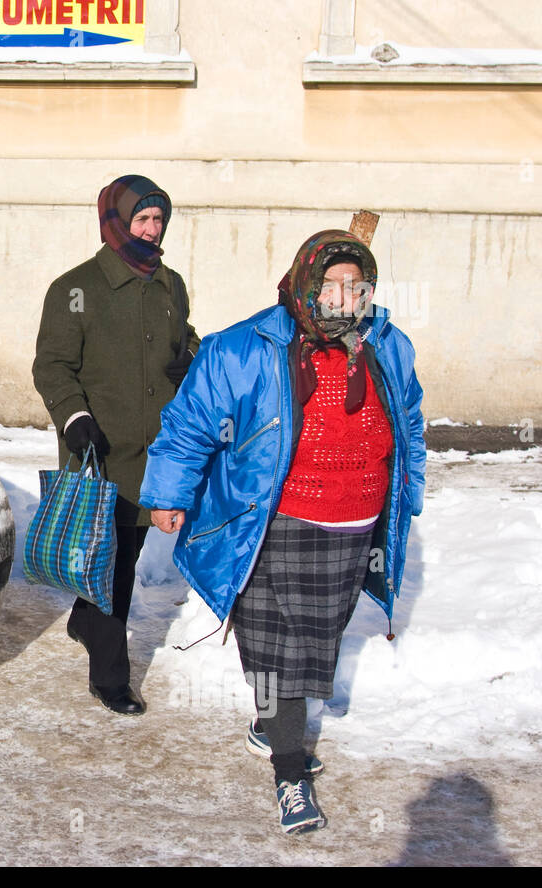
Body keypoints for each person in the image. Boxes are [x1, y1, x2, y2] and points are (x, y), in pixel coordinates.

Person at [140, 229, 426, 834]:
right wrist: (169, 491)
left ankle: (273, 724)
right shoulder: (244, 347)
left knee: (318, 643)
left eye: (358, 286)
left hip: (354, 524)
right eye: (332, 284)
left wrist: (411, 491)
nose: (346, 298)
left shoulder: (388, 344)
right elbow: (190, 423)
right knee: (277, 655)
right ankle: (290, 772)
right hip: (275, 521)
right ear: (304, 281)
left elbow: (410, 422)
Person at [32, 174, 201, 715]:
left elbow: (185, 335)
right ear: (115, 223)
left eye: (158, 221)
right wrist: (74, 417)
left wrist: (191, 355)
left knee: (124, 550)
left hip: (159, 447)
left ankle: (85, 618)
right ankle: (110, 677)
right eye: (142, 220)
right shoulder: (74, 289)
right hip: (100, 447)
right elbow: (52, 365)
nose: (151, 231)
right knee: (116, 562)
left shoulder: (169, 283)